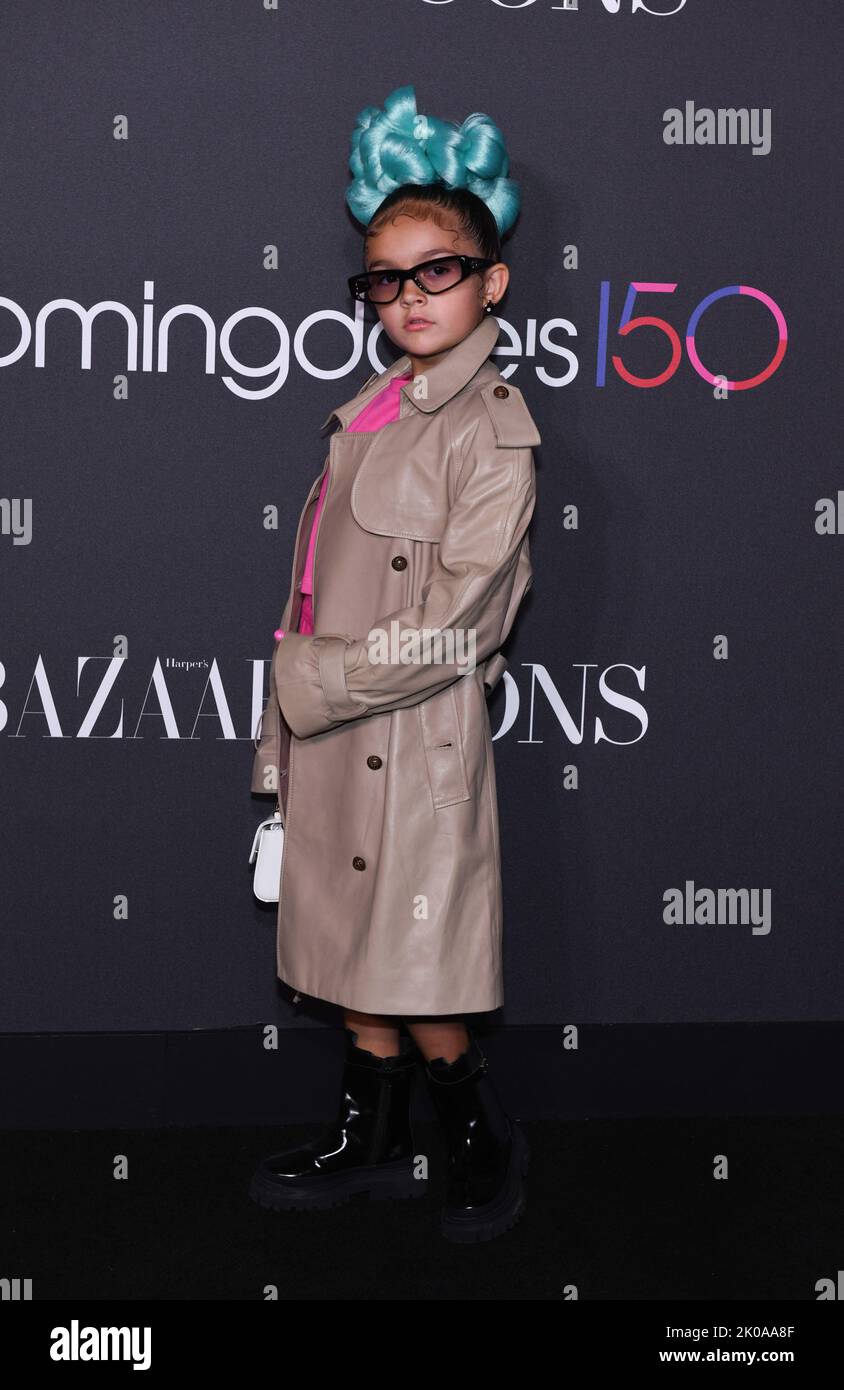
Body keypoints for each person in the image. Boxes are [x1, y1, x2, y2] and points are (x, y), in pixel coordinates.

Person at [249, 85, 541, 1243]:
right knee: (344, 957)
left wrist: (308, 684)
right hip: (331, 738)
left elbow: (459, 626)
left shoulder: (492, 431)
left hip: (409, 743)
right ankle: (366, 1137)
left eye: (438, 270)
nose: (410, 296)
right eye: (386, 276)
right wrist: (285, 738)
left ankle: (472, 1130)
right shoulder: (366, 412)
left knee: (415, 970)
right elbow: (307, 596)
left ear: (489, 281)